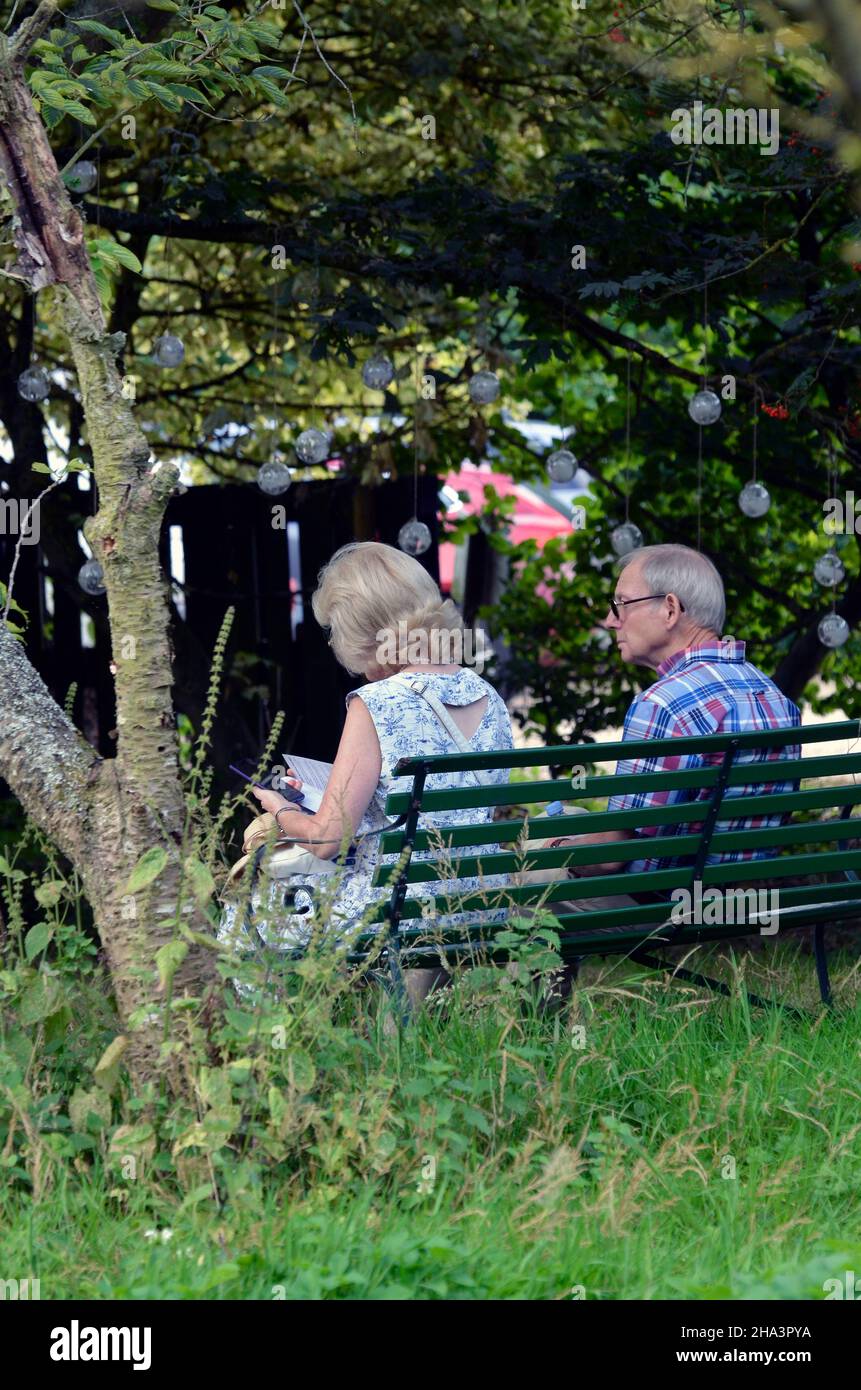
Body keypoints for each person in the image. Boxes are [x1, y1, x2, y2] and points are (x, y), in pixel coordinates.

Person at [218, 541, 514, 1007]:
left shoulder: (376, 703)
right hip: (479, 895)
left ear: (362, 631)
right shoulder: (488, 694)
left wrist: (281, 813)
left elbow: (329, 839)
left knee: (244, 915)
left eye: (336, 630)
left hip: (397, 907)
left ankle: (268, 1051)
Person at [530, 543, 801, 928]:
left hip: (663, 902)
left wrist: (551, 850)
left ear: (670, 609)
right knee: (563, 819)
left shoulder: (663, 705)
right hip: (740, 896)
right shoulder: (775, 698)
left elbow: (612, 857)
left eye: (622, 604)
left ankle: (524, 989)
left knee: (528, 871)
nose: (610, 620)